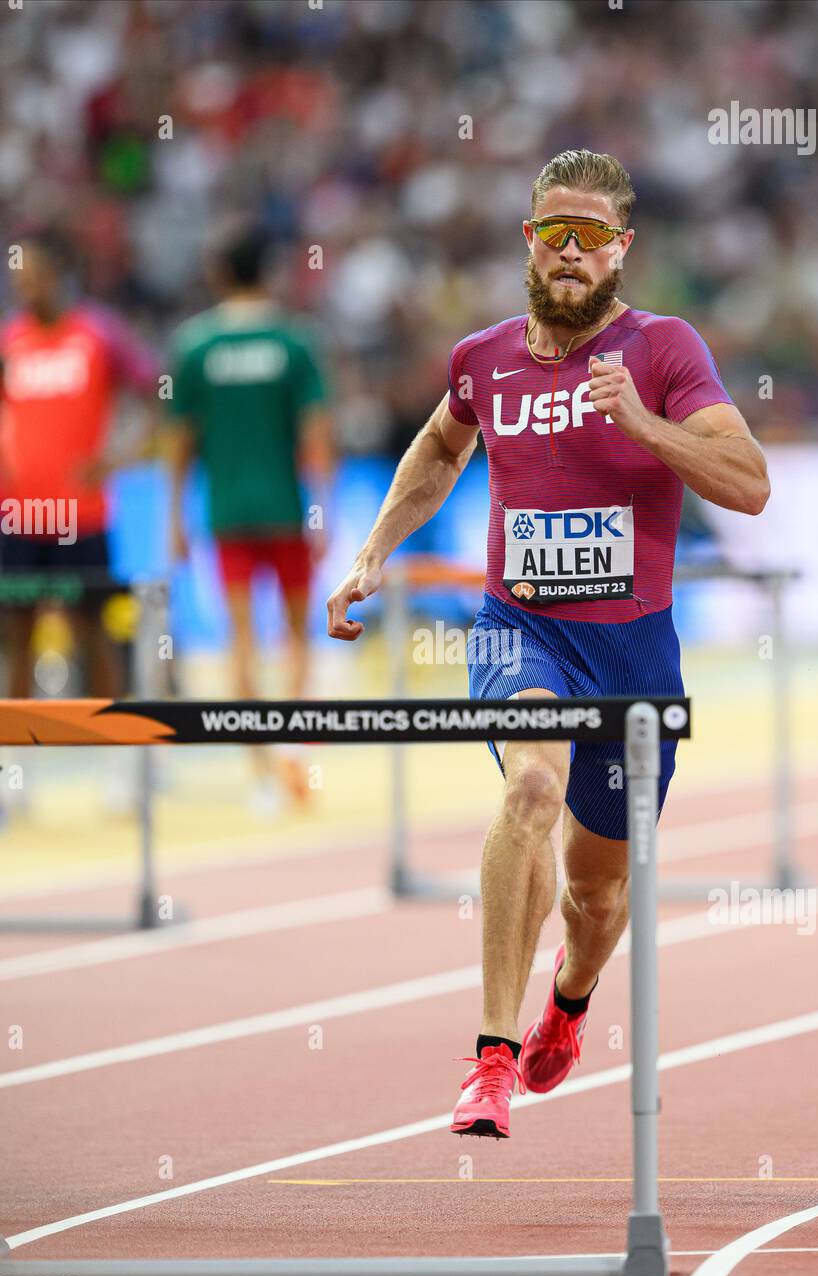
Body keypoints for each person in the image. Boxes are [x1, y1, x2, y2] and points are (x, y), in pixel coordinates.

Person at [327, 149, 769, 1138]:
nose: (571, 253)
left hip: (633, 653)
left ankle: (567, 1001)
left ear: (621, 251)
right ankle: (486, 1060)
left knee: (596, 893)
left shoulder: (662, 349)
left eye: (591, 237)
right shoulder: (482, 359)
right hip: (518, 634)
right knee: (528, 790)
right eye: (553, 233)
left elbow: (747, 483)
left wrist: (644, 425)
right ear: (528, 241)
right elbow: (442, 446)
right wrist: (371, 553)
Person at [164, 224, 334, 815]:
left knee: (239, 642)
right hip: (286, 510)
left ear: (220, 273)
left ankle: (262, 772)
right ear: (268, 269)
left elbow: (180, 440)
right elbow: (315, 436)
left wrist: (174, 519)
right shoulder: (294, 341)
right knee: (296, 639)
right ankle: (296, 756)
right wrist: (324, 511)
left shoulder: (195, 345)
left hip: (227, 512)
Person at [0, 228, 160, 705]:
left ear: (59, 274)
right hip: (19, 515)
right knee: (17, 634)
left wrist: (120, 458)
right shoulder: (10, 341)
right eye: (18, 278)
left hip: (81, 514)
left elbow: (155, 395)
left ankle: (116, 755)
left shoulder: (98, 333)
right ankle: (15, 762)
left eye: (34, 277)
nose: (26, 287)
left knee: (93, 631)